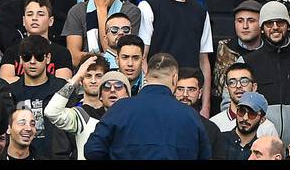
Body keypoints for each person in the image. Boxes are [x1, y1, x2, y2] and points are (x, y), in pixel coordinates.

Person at [85, 52, 213, 159]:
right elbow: (205, 156)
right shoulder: (190, 115)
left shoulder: (120, 108)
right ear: (175, 78)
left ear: (146, 76)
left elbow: (92, 150)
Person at [136, 0, 213, 114]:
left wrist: (206, 106)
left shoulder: (200, 12)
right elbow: (142, 57)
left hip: (190, 97)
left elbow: (204, 60)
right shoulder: (148, 6)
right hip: (159, 94)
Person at [239, 1, 290, 143]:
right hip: (258, 145)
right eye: (269, 23)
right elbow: (233, 103)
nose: (275, 28)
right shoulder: (246, 62)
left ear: (288, 26)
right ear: (262, 28)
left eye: (280, 22)